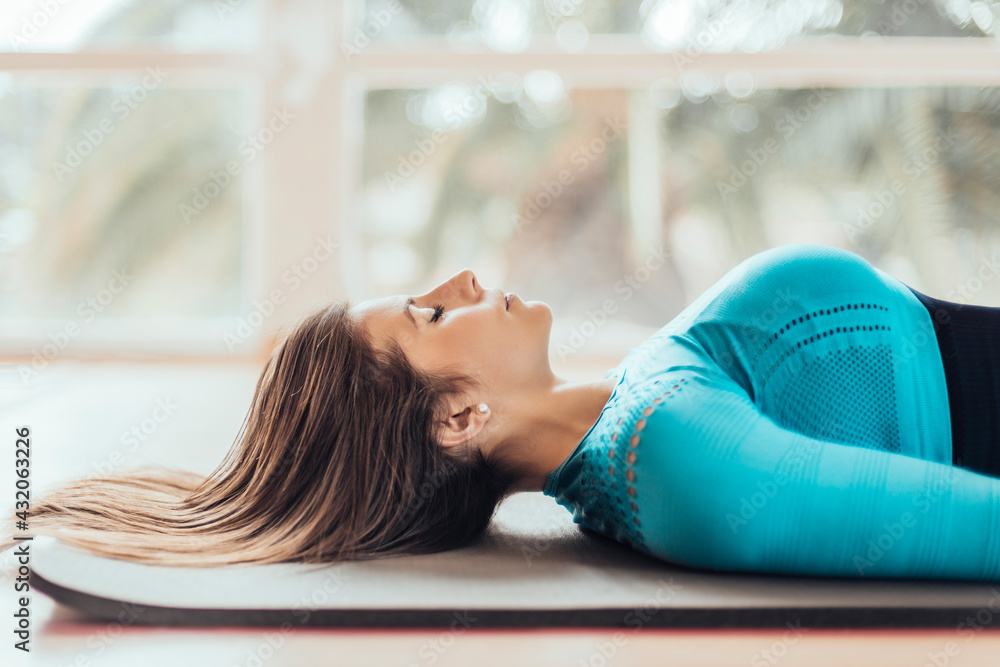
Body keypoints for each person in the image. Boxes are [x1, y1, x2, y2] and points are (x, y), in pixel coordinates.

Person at [5, 243, 1000, 580]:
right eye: (435, 311)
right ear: (457, 417)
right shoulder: (677, 461)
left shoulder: (626, 434)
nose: (469, 277)